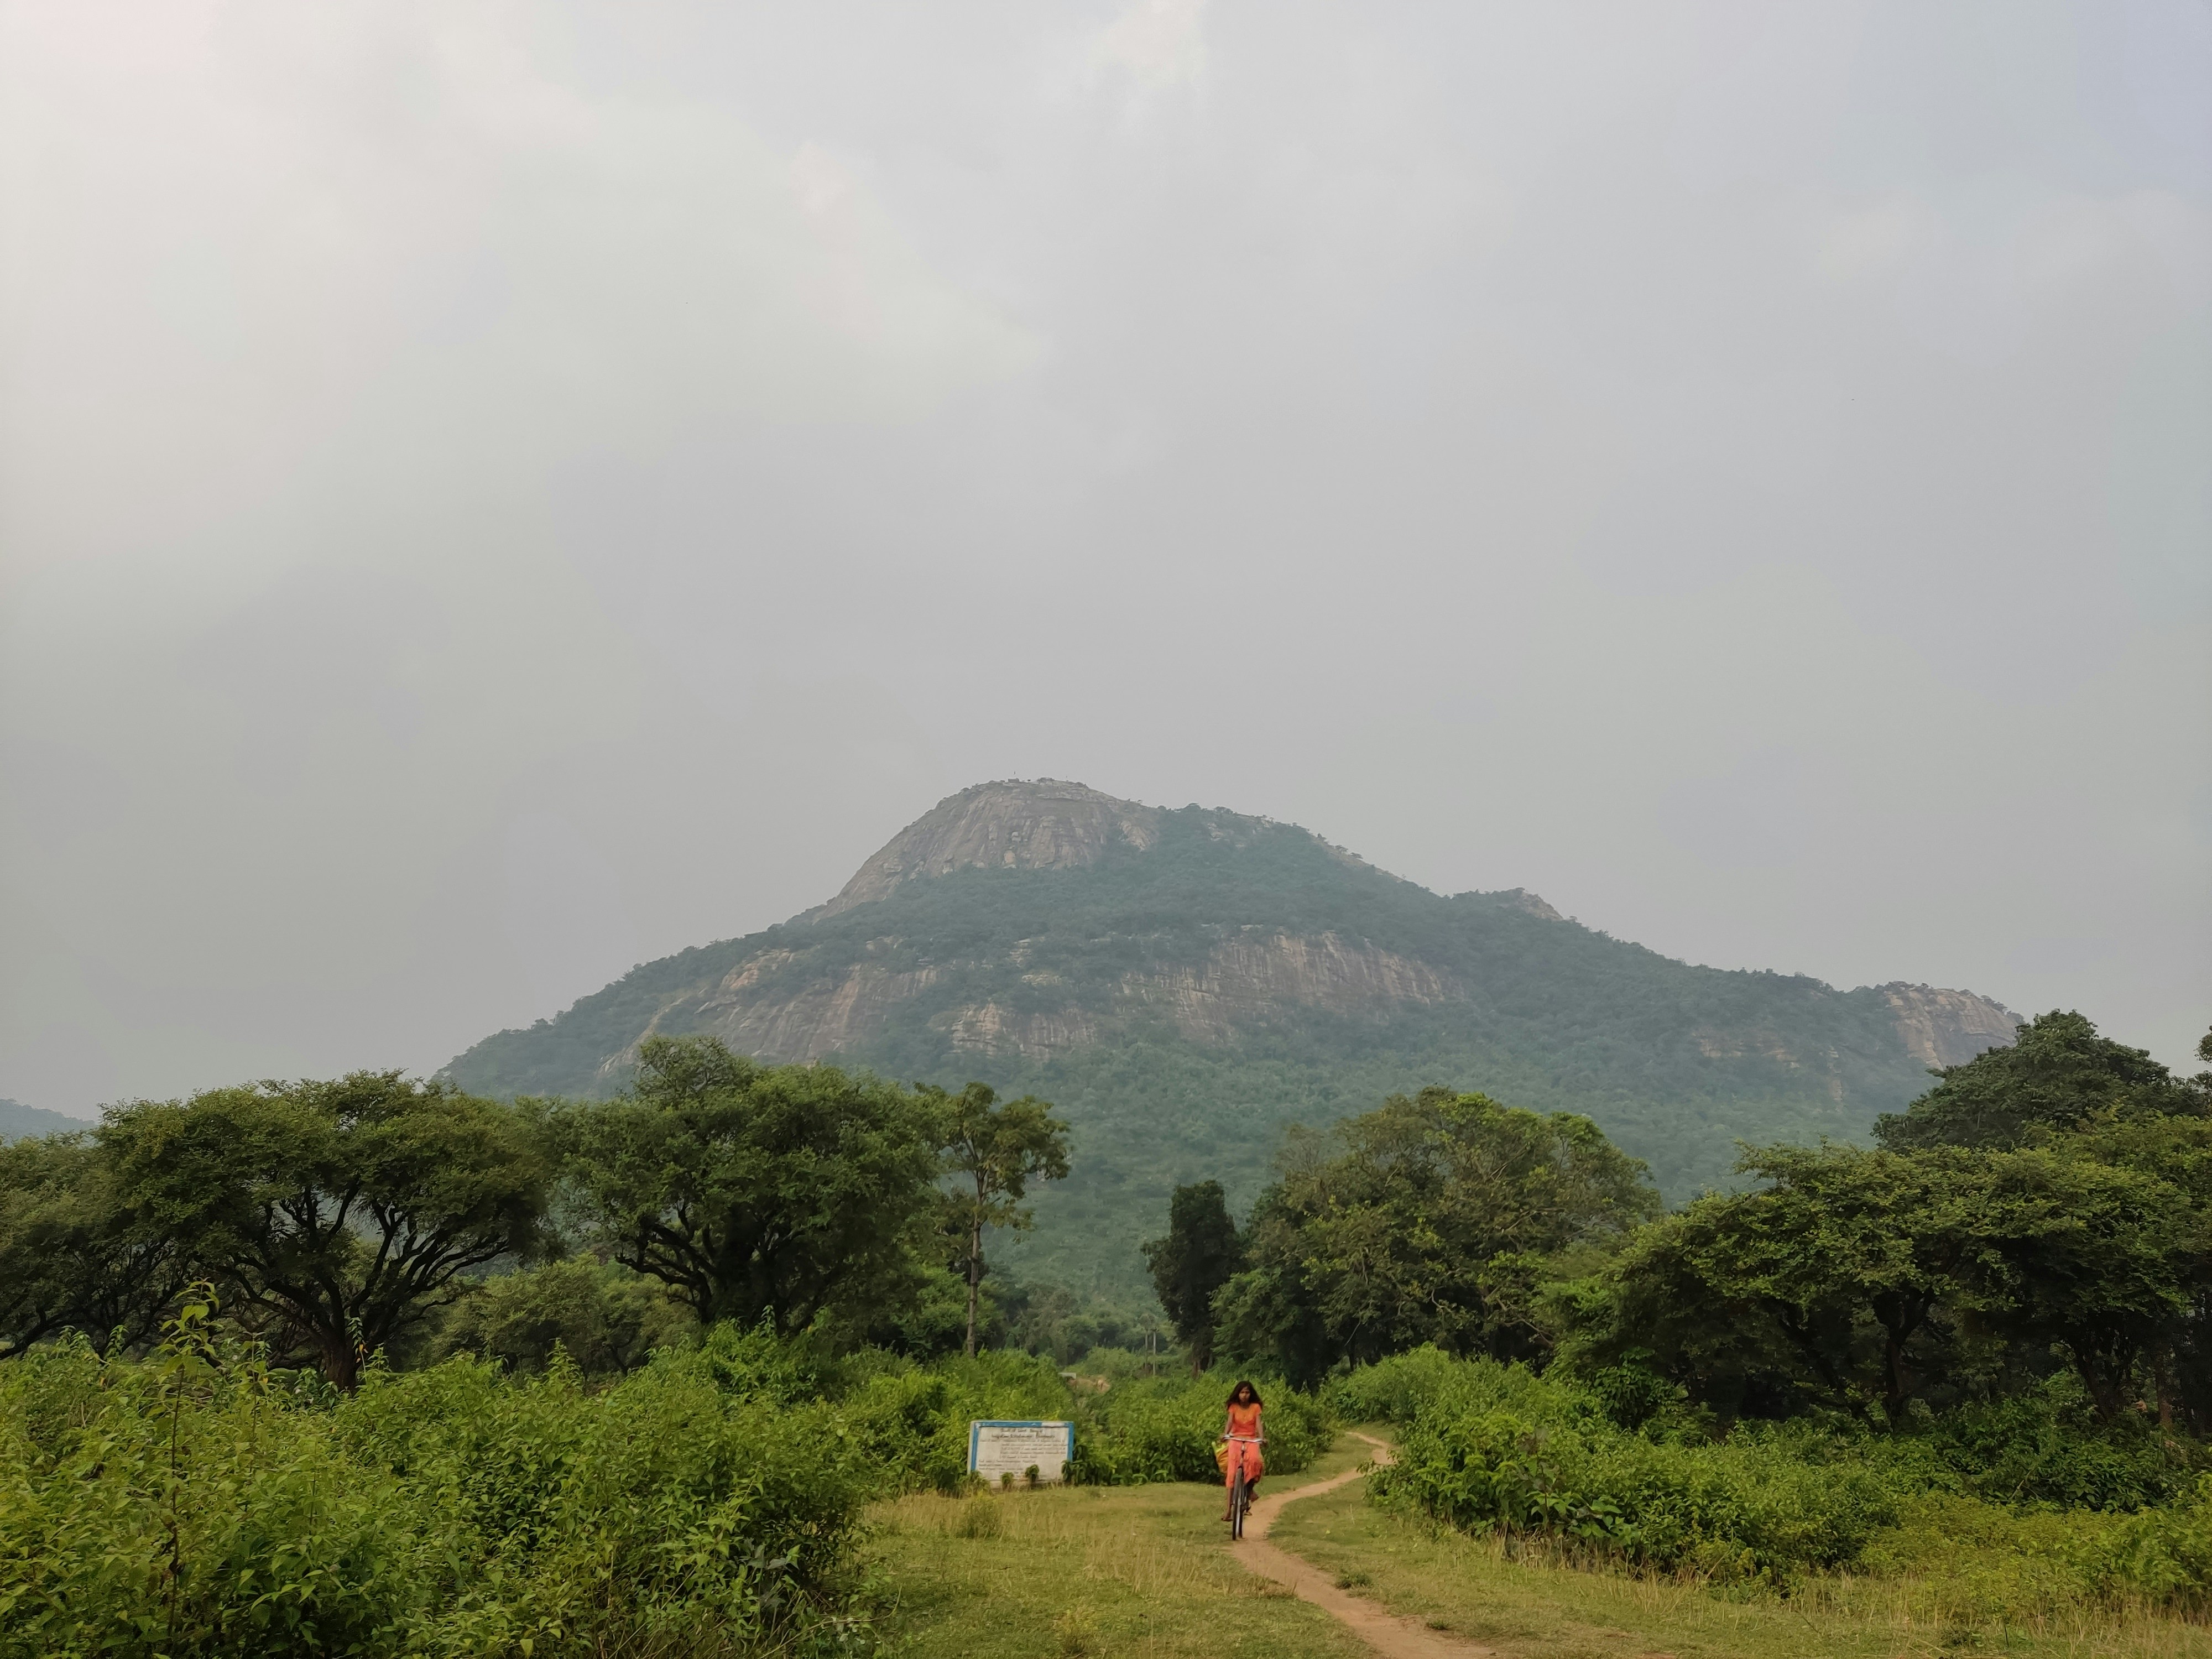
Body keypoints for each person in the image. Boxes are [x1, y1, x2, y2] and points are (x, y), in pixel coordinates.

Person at [1222, 1379, 1265, 1519]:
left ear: (1250, 1394)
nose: (1244, 1395)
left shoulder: (1256, 1407)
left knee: (1254, 1462)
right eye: (1242, 1392)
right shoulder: (1233, 1407)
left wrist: (1262, 1438)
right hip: (1235, 1439)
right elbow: (1230, 1422)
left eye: (1247, 1392)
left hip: (1251, 1439)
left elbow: (1258, 1424)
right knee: (1232, 1473)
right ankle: (1228, 1511)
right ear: (1238, 1394)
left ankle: (1249, 1491)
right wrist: (1225, 1434)